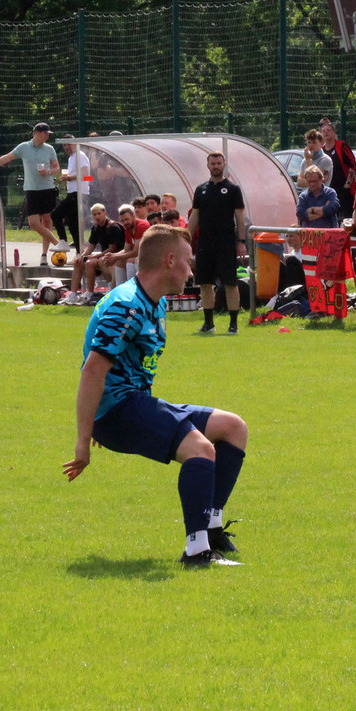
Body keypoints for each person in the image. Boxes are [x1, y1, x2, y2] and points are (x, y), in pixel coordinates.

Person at [65, 225, 250, 567]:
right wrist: (85, 436)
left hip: (131, 405)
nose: (192, 270)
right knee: (200, 449)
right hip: (118, 410)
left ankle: (210, 528)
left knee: (233, 428)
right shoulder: (127, 306)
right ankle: (196, 553)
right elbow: (92, 371)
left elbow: (133, 369)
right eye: (187, 261)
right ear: (169, 260)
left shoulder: (154, 302)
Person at [0, 123, 62, 260]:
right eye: (46, 133)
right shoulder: (24, 147)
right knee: (33, 223)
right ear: (37, 133)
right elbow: (6, 157)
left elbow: (56, 167)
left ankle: (44, 254)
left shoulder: (49, 149)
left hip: (47, 188)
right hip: (31, 189)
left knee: (47, 221)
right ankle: (58, 243)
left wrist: (48, 172)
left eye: (48, 134)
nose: (47, 136)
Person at [187, 151, 247, 335]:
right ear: (208, 165)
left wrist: (241, 241)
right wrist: (186, 240)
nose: (216, 166)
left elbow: (239, 217)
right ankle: (208, 324)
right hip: (205, 242)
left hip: (226, 241)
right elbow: (195, 215)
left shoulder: (233, 189)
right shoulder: (201, 189)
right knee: (205, 283)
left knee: (230, 283)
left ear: (224, 164)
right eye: (213, 163)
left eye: (219, 163)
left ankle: (233, 324)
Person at [71, 204, 124, 298]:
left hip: (115, 256)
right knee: (78, 263)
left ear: (105, 213)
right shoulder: (96, 228)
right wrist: (81, 256)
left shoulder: (113, 227)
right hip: (103, 256)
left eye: (99, 213)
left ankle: (105, 289)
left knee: (92, 262)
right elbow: (91, 246)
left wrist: (95, 256)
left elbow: (112, 249)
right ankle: (73, 294)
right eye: (94, 214)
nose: (97, 216)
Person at [54, 142, 90, 251]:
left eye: (68, 144)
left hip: (78, 193)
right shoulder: (71, 158)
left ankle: (63, 241)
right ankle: (80, 254)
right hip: (72, 192)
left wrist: (69, 178)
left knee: (55, 214)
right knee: (73, 225)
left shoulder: (80, 156)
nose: (66, 147)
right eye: (64, 145)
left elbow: (87, 176)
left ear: (75, 144)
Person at [319, 118, 356, 203]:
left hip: (343, 189)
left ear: (334, 132)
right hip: (327, 190)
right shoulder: (321, 151)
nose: (326, 132)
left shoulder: (341, 146)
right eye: (323, 131)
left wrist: (348, 184)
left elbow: (352, 166)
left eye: (328, 130)